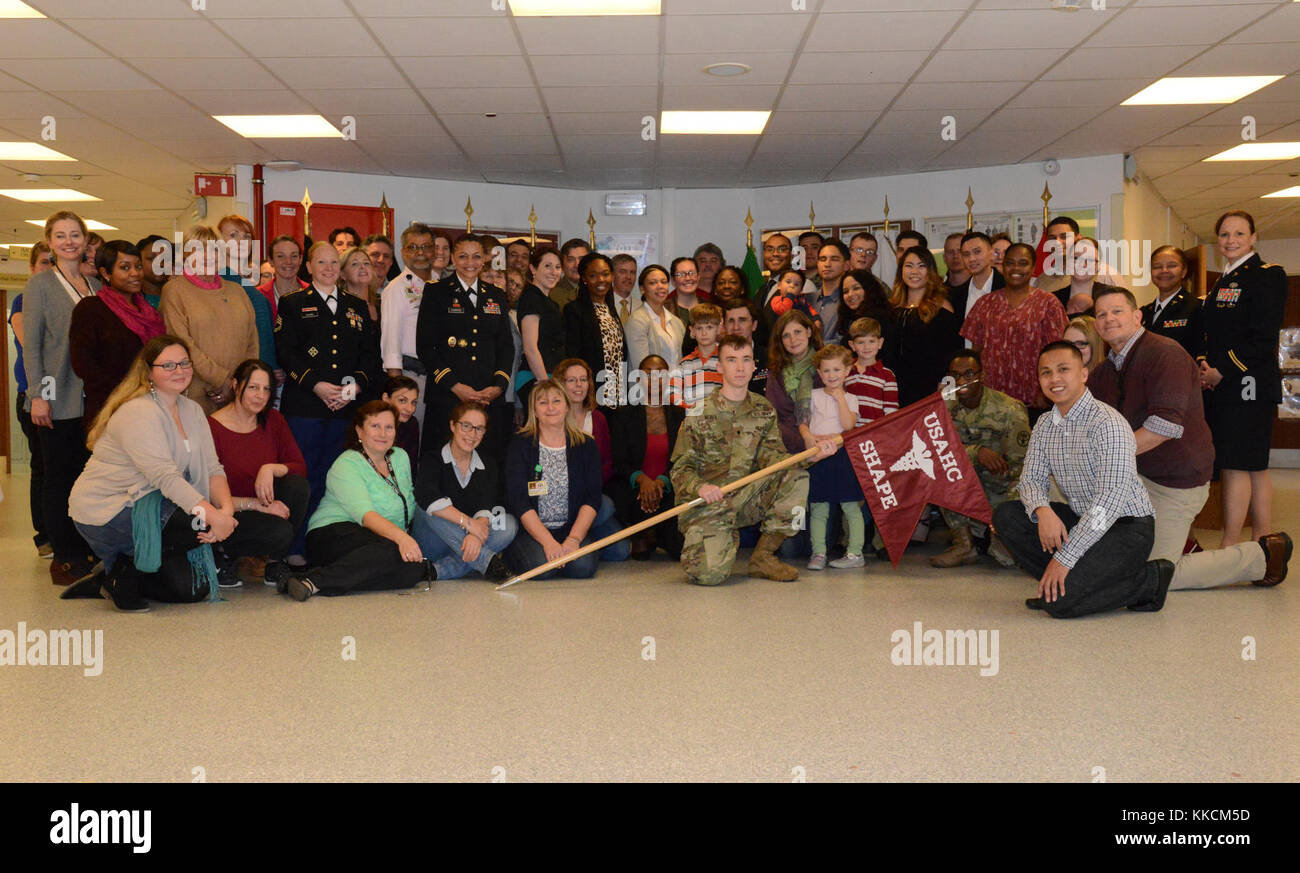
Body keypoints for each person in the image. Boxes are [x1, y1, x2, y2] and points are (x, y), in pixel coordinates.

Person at [1089, 286, 1292, 591]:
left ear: (1137, 316)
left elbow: (1164, 426)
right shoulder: (1102, 373)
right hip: (1135, 478)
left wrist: (1109, 457)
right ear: (1095, 325)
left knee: (1154, 574)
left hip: (1175, 482)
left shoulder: (1165, 353)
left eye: (1117, 311)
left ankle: (1260, 556)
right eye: (1101, 314)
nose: (1109, 319)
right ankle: (1174, 541)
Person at [993, 342, 1175, 618]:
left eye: (1063, 369)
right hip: (1082, 519)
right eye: (1046, 372)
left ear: (1083, 374)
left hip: (1124, 528)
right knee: (1007, 515)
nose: (1054, 379)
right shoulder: (1044, 424)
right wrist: (1042, 511)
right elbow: (1029, 480)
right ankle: (1063, 584)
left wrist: (1066, 557)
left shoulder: (1108, 424)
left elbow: (1109, 503)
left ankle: (1148, 580)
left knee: (1059, 607)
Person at [67, 335, 237, 611]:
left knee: (192, 590)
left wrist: (226, 510)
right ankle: (122, 572)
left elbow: (212, 468)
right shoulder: (139, 412)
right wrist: (212, 517)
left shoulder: (192, 410)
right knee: (197, 521)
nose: (179, 371)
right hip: (108, 511)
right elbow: (166, 478)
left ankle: (112, 575)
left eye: (184, 363)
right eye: (168, 365)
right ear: (149, 372)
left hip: (155, 503)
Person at [671, 334, 832, 586]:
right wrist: (700, 487)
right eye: (731, 360)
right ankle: (717, 539)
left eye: (746, 359)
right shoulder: (699, 410)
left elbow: (775, 460)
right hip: (707, 504)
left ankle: (763, 556)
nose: (739, 367)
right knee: (709, 575)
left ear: (754, 366)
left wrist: (812, 456)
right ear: (719, 366)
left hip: (746, 498)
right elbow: (681, 468)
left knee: (797, 477)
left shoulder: (763, 409)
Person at [276, 240, 381, 560]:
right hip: (306, 407)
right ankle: (294, 548)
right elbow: (287, 353)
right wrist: (316, 385)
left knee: (336, 478)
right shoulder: (293, 303)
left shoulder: (357, 305)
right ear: (309, 267)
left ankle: (324, 544)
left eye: (334, 263)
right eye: (321, 263)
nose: (329, 269)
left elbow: (369, 356)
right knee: (302, 478)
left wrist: (354, 388)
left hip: (344, 409)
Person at [1198, 210, 1287, 547]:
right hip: (1227, 385)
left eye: (1238, 234)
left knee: (1242, 464)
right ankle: (1259, 543)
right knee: (1248, 464)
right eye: (1224, 234)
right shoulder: (1222, 281)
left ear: (1253, 238)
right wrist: (1207, 366)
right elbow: (1216, 335)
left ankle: (1233, 543)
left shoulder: (1267, 275)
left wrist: (1224, 369)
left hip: (1249, 384)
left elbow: (1262, 339)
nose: (1230, 240)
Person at [22, 211, 102, 585]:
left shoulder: (93, 284)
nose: (69, 241)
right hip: (58, 397)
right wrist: (41, 397)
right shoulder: (40, 285)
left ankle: (85, 548)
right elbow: (34, 347)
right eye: (60, 236)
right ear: (50, 242)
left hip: (91, 400)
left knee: (87, 477)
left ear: (85, 240)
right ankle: (64, 558)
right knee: (59, 478)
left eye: (75, 235)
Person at [284, 402, 429, 600]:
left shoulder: (400, 458)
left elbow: (410, 500)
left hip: (377, 540)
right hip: (331, 534)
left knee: (413, 569)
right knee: (390, 551)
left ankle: (312, 580)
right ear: (359, 431)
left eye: (389, 427)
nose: (383, 433)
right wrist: (402, 538)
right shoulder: (347, 464)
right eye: (375, 426)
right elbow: (366, 517)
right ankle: (315, 581)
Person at [207, 359, 310, 588]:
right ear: (235, 385)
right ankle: (223, 555)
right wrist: (255, 504)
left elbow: (299, 466)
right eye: (253, 387)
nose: (260, 396)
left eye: (266, 389)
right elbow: (206, 495)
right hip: (228, 510)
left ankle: (275, 563)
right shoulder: (211, 427)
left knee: (297, 486)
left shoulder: (274, 420)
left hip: (264, 506)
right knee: (280, 531)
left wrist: (270, 468)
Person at [416, 233, 515, 464]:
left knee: (488, 462)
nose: (470, 262)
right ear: (452, 258)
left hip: (487, 396)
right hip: (448, 395)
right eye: (463, 256)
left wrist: (498, 386)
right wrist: (454, 385)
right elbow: (425, 347)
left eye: (476, 257)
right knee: (442, 462)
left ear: (484, 260)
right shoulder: (436, 292)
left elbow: (505, 346)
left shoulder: (496, 295)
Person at [931, 350, 1028, 569]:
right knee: (941, 471)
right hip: (968, 486)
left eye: (969, 374)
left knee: (1005, 560)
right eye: (955, 375)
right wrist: (977, 452)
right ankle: (964, 546)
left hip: (1003, 486)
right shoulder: (944, 407)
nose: (962, 381)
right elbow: (937, 452)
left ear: (982, 376)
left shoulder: (1009, 410)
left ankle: (999, 536)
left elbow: (1022, 466)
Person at [504, 379, 604, 580]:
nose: (550, 408)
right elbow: (519, 500)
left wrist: (573, 539)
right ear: (534, 409)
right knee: (544, 569)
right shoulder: (521, 444)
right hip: (534, 532)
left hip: (570, 528)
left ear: (567, 405)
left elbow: (592, 498)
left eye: (556, 401)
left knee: (583, 568)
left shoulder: (585, 445)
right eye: (543, 402)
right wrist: (548, 542)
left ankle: (569, 550)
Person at [159, 224, 258, 415]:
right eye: (198, 249)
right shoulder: (174, 291)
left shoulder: (237, 291)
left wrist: (241, 382)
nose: (207, 255)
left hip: (238, 395)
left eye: (213, 249)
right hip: (195, 395)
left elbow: (252, 342)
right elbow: (183, 345)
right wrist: (223, 381)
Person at [413, 401, 517, 581]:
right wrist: (469, 525)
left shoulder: (488, 465)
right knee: (427, 508)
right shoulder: (432, 459)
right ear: (453, 425)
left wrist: (476, 534)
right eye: (466, 426)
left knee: (508, 524)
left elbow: (488, 502)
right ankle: (487, 562)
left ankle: (437, 571)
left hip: (469, 541)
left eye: (479, 429)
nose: (472, 434)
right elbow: (427, 496)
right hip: (434, 541)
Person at [961, 242, 1067, 417]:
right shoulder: (985, 303)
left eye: (1023, 263)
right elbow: (975, 353)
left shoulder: (1048, 303)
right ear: (1002, 266)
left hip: (1035, 401)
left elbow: (1057, 354)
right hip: (991, 403)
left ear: (1033, 267)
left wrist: (1045, 391)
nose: (1016, 268)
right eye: (1010, 263)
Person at [70, 239, 167, 430]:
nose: (135, 273)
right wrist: (128, 392)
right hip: (109, 409)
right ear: (106, 273)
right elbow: (83, 365)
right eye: (125, 267)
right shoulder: (91, 309)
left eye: (138, 266)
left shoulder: (149, 312)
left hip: (149, 407)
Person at [610, 355, 686, 560]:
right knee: (620, 493)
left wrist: (661, 482)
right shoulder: (623, 415)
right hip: (633, 489)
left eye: (660, 373)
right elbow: (619, 461)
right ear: (638, 379)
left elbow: (683, 458)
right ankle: (642, 533)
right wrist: (642, 480)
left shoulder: (680, 415)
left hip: (668, 487)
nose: (654, 379)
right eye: (648, 374)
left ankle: (657, 533)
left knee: (679, 550)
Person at [557, 357, 631, 562]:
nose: (578, 385)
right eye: (571, 380)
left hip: (591, 496)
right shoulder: (552, 417)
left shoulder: (598, 418)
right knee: (605, 506)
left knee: (621, 551)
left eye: (583, 379)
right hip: (561, 499)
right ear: (560, 384)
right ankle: (575, 536)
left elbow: (607, 461)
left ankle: (582, 534)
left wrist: (590, 485)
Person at [9, 242, 54, 559]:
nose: (50, 267)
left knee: (63, 467)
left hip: (67, 398)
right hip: (35, 397)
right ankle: (45, 537)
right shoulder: (23, 301)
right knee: (44, 467)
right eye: (43, 261)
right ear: (32, 267)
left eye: (55, 261)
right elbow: (33, 344)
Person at [805, 344, 866, 570]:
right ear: (819, 374)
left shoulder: (851, 399)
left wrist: (840, 397)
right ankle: (819, 552)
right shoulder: (812, 396)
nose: (832, 375)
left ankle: (855, 553)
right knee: (819, 508)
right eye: (826, 371)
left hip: (843, 457)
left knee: (850, 506)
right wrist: (813, 439)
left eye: (837, 370)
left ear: (847, 371)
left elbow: (849, 425)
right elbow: (805, 423)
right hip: (819, 456)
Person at [381, 223, 440, 429]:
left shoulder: (440, 284)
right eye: (413, 247)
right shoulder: (396, 288)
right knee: (410, 436)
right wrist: (398, 388)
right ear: (403, 252)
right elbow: (391, 339)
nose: (420, 253)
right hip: (411, 376)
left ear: (434, 250)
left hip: (439, 377)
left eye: (426, 247)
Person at [890, 246, 961, 406]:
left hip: (930, 392)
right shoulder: (893, 308)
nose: (914, 271)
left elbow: (952, 353)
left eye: (921, 266)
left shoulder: (941, 307)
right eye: (909, 266)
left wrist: (947, 386)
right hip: (895, 393)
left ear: (930, 271)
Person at [563, 251, 628, 414]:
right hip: (592, 394)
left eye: (605, 274)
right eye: (593, 275)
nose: (601, 280)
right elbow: (573, 355)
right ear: (584, 279)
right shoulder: (574, 310)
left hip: (618, 393)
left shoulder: (612, 309)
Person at [217, 214, 277, 372]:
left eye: (247, 236)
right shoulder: (218, 282)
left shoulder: (248, 282)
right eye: (233, 235)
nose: (241, 241)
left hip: (261, 371)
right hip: (238, 372)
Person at [766, 309, 823, 454]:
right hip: (789, 449)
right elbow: (772, 417)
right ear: (781, 341)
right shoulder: (776, 373)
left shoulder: (827, 364)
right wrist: (801, 442)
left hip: (826, 443)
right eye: (786, 335)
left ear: (809, 332)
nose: (793, 340)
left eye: (797, 332)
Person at [516, 245, 566, 397]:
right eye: (547, 266)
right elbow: (530, 347)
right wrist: (546, 384)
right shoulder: (532, 298)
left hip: (550, 375)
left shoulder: (548, 301)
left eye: (557, 267)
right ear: (533, 269)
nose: (553, 272)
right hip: (537, 377)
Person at [1141, 244, 1204, 360]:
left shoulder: (1197, 308)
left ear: (1184, 272)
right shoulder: (1143, 313)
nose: (1164, 271)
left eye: (1172, 266)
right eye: (1157, 266)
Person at [625, 263, 686, 373]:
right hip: (649, 387)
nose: (660, 286)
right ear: (642, 289)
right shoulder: (637, 320)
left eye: (663, 282)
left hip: (676, 387)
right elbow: (642, 368)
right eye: (653, 283)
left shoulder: (676, 322)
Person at [843, 316, 898, 425]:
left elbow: (891, 411)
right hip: (849, 433)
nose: (866, 347)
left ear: (880, 343)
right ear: (852, 345)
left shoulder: (887, 375)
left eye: (871, 341)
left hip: (875, 435)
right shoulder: (845, 371)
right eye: (861, 342)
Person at [670, 302, 724, 412]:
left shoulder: (726, 359)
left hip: (722, 421)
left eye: (709, 327)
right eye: (699, 328)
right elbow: (672, 391)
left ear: (719, 328)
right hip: (694, 422)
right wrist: (689, 407)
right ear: (692, 331)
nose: (704, 333)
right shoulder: (685, 363)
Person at [838, 267, 894, 366]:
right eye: (845, 291)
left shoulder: (877, 319)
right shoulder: (851, 318)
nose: (850, 294)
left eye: (856, 288)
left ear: (869, 289)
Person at [1056, 236, 1123, 313]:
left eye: (1090, 260)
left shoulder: (1114, 297)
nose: (1083, 264)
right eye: (1076, 258)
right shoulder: (1053, 300)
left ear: (1098, 266)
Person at [951, 231, 1004, 329]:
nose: (972, 259)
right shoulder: (956, 295)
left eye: (977, 252)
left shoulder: (1007, 288)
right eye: (966, 254)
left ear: (992, 253)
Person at [722, 297, 768, 396]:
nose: (736, 327)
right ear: (724, 327)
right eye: (731, 321)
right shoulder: (714, 359)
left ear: (754, 325)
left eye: (742, 320)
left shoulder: (770, 358)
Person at [257, 234, 308, 321]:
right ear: (270, 260)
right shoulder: (258, 296)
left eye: (294, 256)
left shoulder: (312, 293)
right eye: (280, 256)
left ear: (300, 259)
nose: (288, 261)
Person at [761, 267, 818, 338]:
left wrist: (816, 319)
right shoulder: (776, 300)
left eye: (796, 284)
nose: (792, 286)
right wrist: (790, 296)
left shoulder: (801, 300)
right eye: (788, 282)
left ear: (801, 290)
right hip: (781, 336)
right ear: (779, 285)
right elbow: (784, 311)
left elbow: (811, 310)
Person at [1033, 216, 1080, 301]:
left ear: (1078, 238)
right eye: (1052, 238)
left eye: (1064, 237)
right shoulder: (1041, 280)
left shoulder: (1102, 275)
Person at [811, 239, 849, 344]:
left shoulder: (849, 301)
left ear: (846, 265)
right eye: (822, 259)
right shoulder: (808, 299)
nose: (827, 264)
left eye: (834, 259)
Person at [382, 374, 422, 471]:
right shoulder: (369, 422)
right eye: (402, 400)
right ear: (386, 398)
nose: (410, 409)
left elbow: (410, 468)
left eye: (414, 402)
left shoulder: (411, 424)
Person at [340, 246, 380, 323]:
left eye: (366, 263)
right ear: (342, 274)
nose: (362, 267)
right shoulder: (339, 307)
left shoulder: (382, 304)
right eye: (355, 264)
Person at [552, 238, 590, 309]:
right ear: (562, 264)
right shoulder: (553, 294)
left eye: (582, 259)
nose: (577, 265)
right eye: (571, 260)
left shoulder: (597, 289)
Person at [668, 255, 708, 322]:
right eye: (681, 274)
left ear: (698, 277)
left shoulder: (711, 307)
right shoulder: (664, 309)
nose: (688, 278)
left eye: (692, 273)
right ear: (673, 280)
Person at [136, 235, 168, 308]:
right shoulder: (129, 300)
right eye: (151, 259)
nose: (160, 264)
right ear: (138, 262)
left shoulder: (180, 295)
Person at [609, 253, 642, 324]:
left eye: (632, 272)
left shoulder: (641, 307)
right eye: (623, 272)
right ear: (612, 275)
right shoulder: (604, 304)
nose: (628, 277)